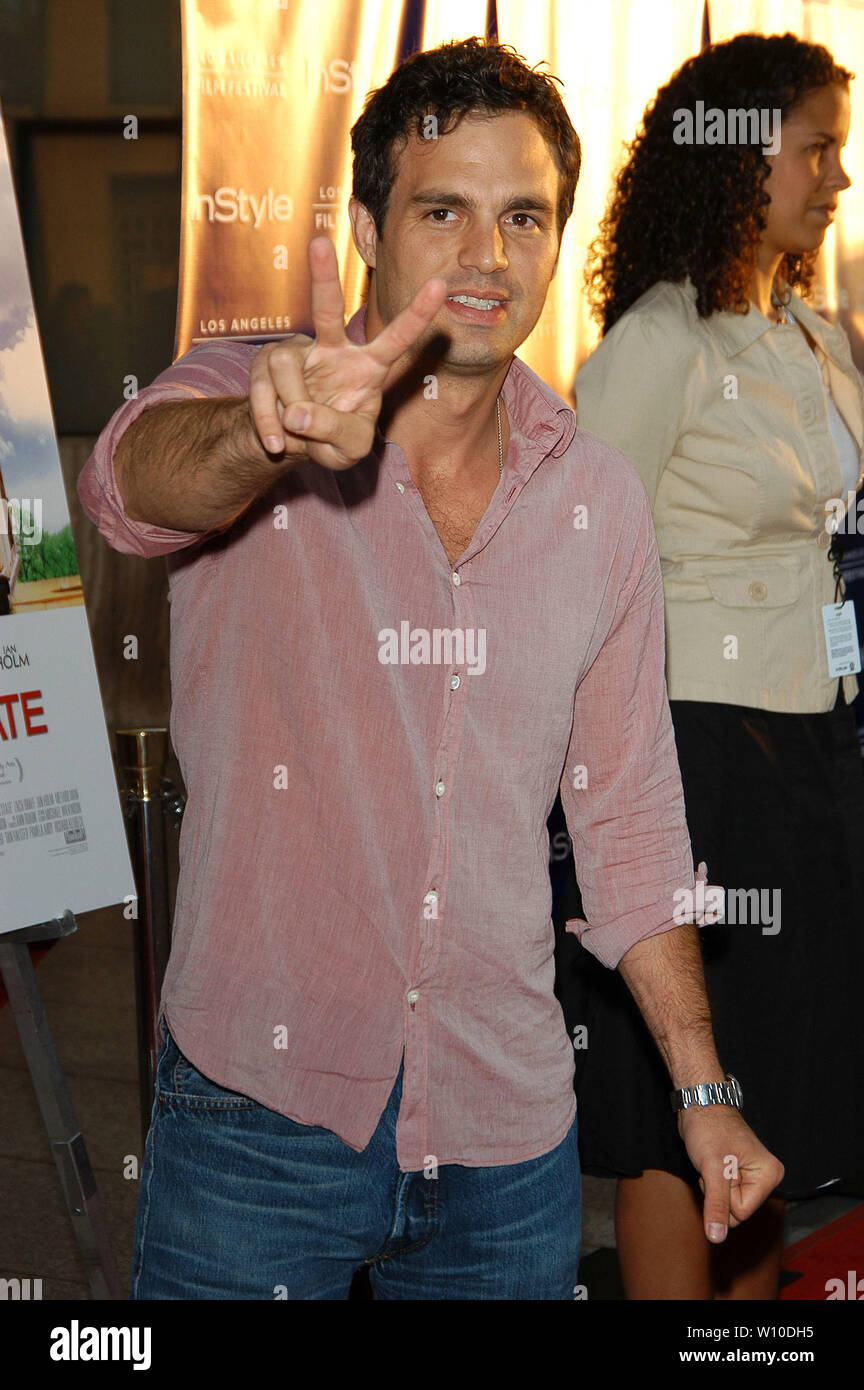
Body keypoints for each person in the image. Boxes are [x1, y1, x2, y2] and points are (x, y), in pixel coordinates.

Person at [79, 37, 782, 1301]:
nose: (484, 257)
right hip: (258, 1114)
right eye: (441, 210)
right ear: (364, 226)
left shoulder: (599, 499)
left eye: (522, 217)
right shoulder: (252, 396)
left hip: (504, 1138)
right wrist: (263, 430)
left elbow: (627, 821)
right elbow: (130, 486)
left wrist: (704, 1091)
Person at [568, 31, 864, 1301]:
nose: (837, 177)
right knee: (675, 1108)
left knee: (783, 1086)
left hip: (813, 744)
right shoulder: (657, 340)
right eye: (816, 149)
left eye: (842, 151)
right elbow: (578, 568)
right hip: (694, 752)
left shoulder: (809, 330)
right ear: (741, 158)